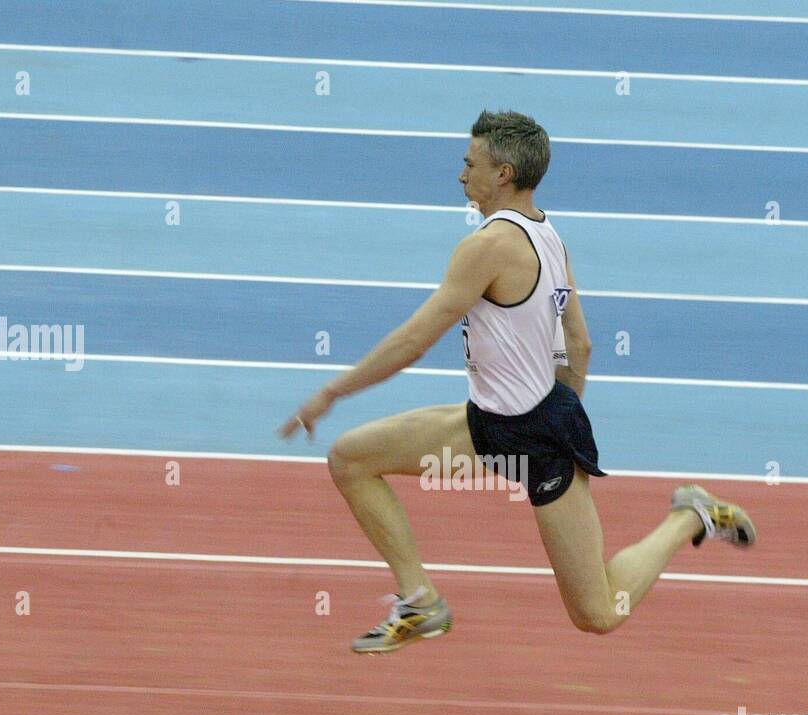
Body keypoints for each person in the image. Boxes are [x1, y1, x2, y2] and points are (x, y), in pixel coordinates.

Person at [280, 110, 756, 653]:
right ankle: (420, 602)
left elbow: (414, 342)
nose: (461, 175)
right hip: (492, 427)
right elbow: (580, 344)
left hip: (530, 440)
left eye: (469, 163)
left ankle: (687, 515)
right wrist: (559, 410)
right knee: (351, 459)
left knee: (598, 612)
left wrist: (331, 391)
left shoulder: (488, 247)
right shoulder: (549, 234)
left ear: (502, 172)